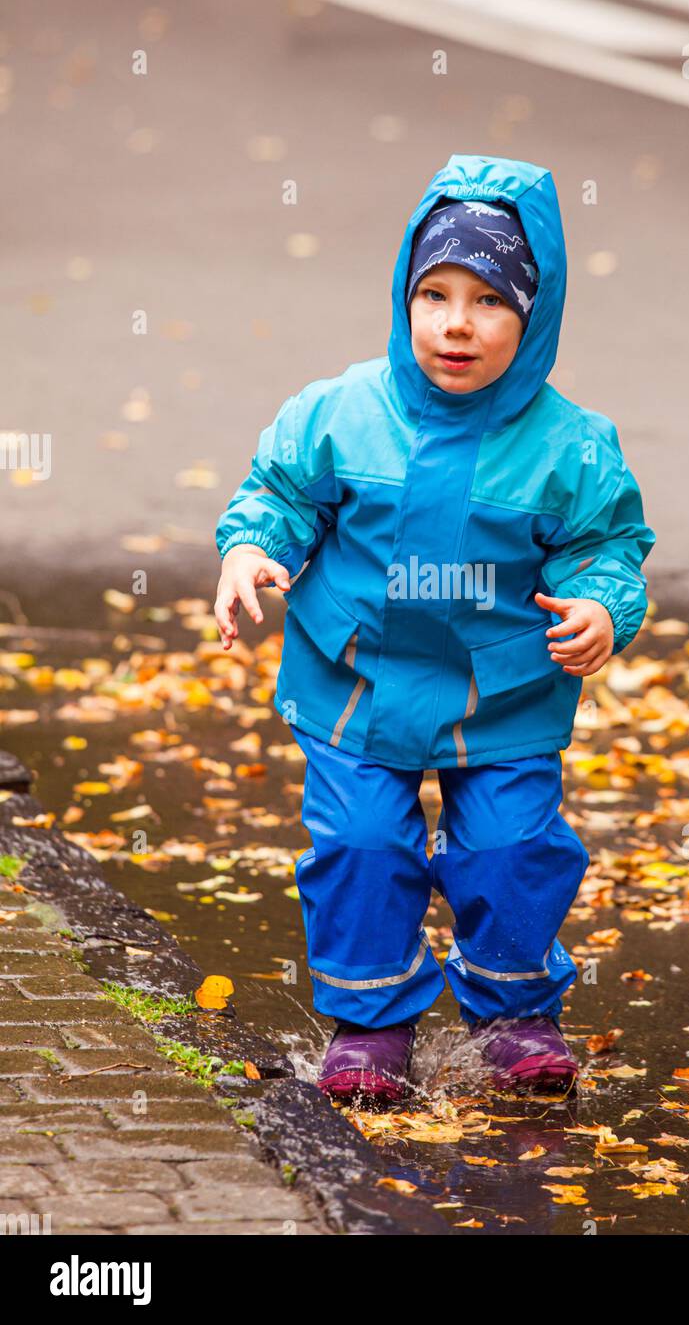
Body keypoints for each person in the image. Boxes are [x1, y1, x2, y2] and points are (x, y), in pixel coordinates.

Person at [214, 153, 655, 1103]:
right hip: (356, 681)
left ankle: (514, 1011)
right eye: (435, 294)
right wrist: (252, 550)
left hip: (498, 692)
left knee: (507, 847)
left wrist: (600, 609)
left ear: (532, 317)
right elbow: (281, 498)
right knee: (364, 843)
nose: (457, 324)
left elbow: (604, 548)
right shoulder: (338, 412)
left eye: (491, 300)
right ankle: (369, 1023)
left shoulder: (569, 445)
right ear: (403, 298)